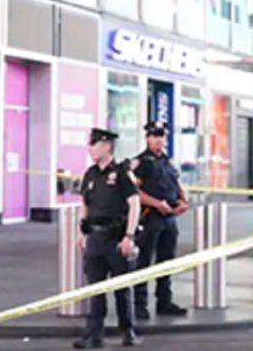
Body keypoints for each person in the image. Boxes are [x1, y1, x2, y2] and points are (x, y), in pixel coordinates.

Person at [74, 128, 142, 349]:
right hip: (95, 237)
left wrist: (129, 236)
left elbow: (134, 204)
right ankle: (93, 334)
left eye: (94, 144)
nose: (90, 148)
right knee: (95, 289)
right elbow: (85, 204)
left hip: (116, 238)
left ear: (106, 146)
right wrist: (81, 233)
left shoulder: (121, 173)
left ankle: (127, 330)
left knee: (122, 288)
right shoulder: (90, 174)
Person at [131, 122, 189, 320]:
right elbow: (133, 192)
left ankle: (164, 301)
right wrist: (156, 204)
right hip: (150, 217)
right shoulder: (140, 163)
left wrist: (183, 201)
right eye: (155, 136)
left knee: (166, 261)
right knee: (144, 261)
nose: (159, 140)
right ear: (147, 138)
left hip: (169, 218)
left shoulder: (168, 162)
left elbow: (177, 185)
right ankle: (140, 304)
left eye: (162, 136)